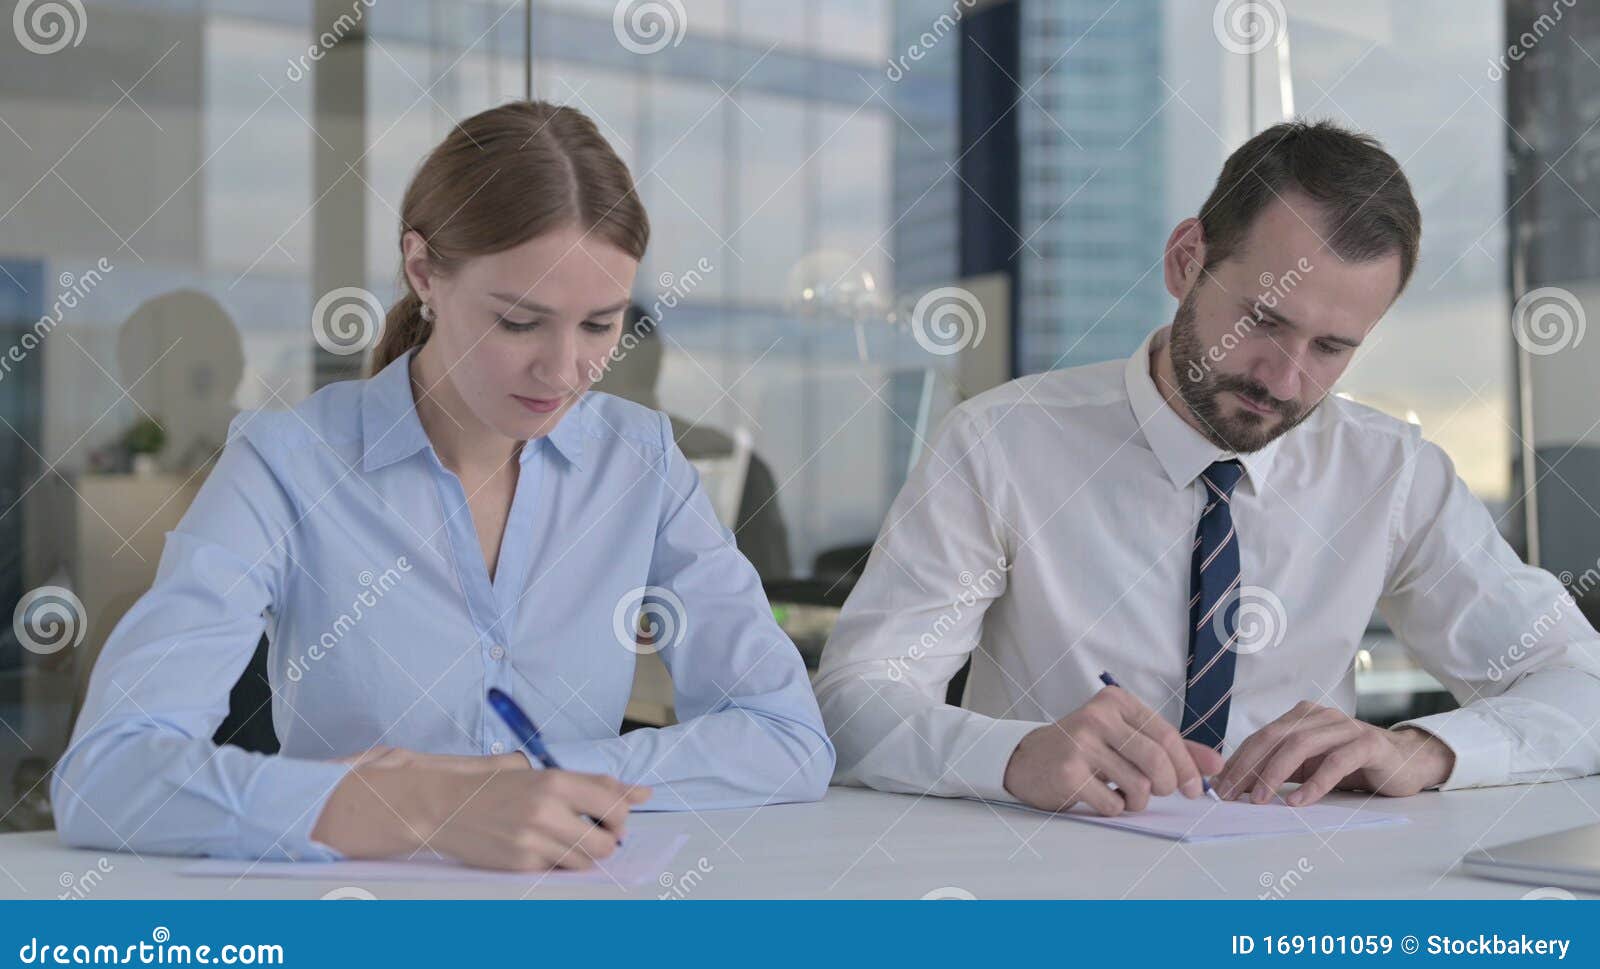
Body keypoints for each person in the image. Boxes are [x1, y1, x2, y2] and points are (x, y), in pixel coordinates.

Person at [53, 100, 833, 870]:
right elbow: (107, 777)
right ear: (423, 270)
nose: (565, 371)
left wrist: (537, 785)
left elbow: (786, 735)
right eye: (520, 323)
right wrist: (418, 807)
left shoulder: (642, 461)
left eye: (599, 325)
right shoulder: (286, 463)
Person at [815, 119, 1600, 816]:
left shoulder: (1393, 476)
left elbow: (1581, 687)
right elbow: (854, 703)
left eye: (1332, 348)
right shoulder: (1000, 444)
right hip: (1050, 893)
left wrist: (1426, 752)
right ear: (1187, 260)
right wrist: (1012, 756)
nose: (1285, 381)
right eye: (1264, 320)